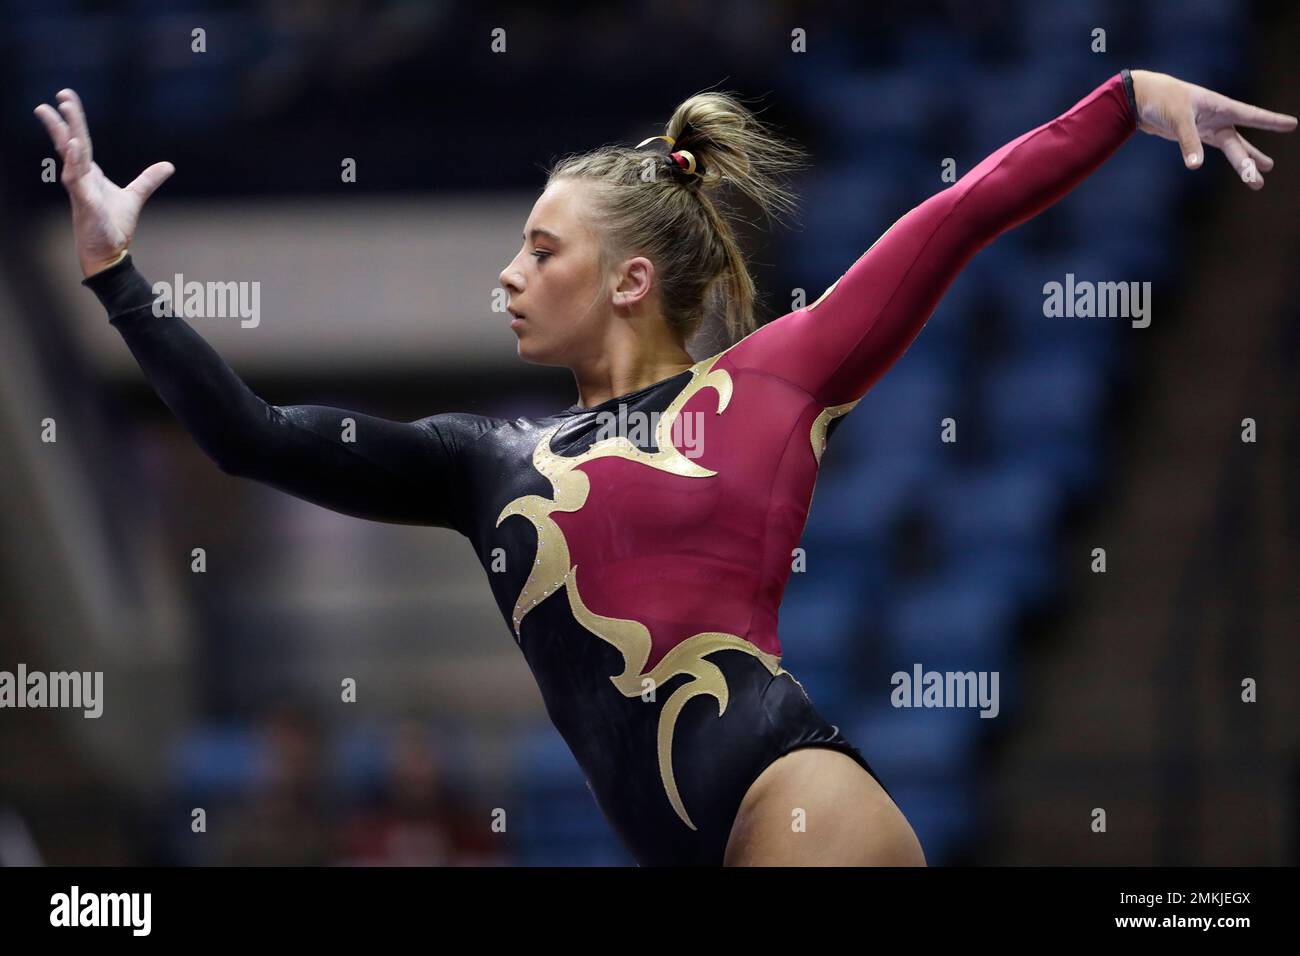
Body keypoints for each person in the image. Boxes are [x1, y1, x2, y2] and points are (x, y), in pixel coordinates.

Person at [35, 70, 1294, 866]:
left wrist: (1123, 102)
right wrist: (119, 283)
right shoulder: (483, 461)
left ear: (629, 278)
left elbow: (953, 218)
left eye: (538, 250)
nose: (506, 277)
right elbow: (249, 436)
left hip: (795, 800)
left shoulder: (773, 383)